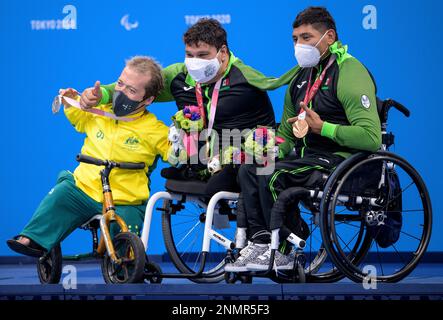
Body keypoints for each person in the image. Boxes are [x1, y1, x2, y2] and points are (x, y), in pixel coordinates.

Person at [225, 6, 382, 272]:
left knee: (271, 174)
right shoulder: (300, 77)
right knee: (251, 168)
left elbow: (370, 137)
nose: (299, 44)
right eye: (295, 39)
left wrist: (323, 128)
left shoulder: (349, 72)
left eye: (307, 37)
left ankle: (284, 250)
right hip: (307, 158)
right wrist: (268, 147)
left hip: (342, 161)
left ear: (329, 36)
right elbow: (286, 137)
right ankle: (262, 242)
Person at [79, 18, 298, 200]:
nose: (194, 62)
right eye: (189, 54)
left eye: (202, 55)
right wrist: (103, 95)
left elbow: (278, 84)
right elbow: (140, 86)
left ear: (222, 52)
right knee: (175, 176)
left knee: (219, 187)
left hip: (243, 155)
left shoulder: (245, 77)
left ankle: (260, 241)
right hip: (202, 158)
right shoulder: (179, 74)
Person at [7, 56, 170, 257]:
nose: (121, 92)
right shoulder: (98, 111)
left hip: (126, 200)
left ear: (148, 100)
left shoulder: (155, 130)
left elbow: (175, 153)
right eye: (120, 84)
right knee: (60, 195)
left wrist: (187, 140)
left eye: (132, 90)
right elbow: (78, 117)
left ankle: (125, 266)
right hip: (84, 190)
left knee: (129, 242)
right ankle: (33, 239)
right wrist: (70, 100)